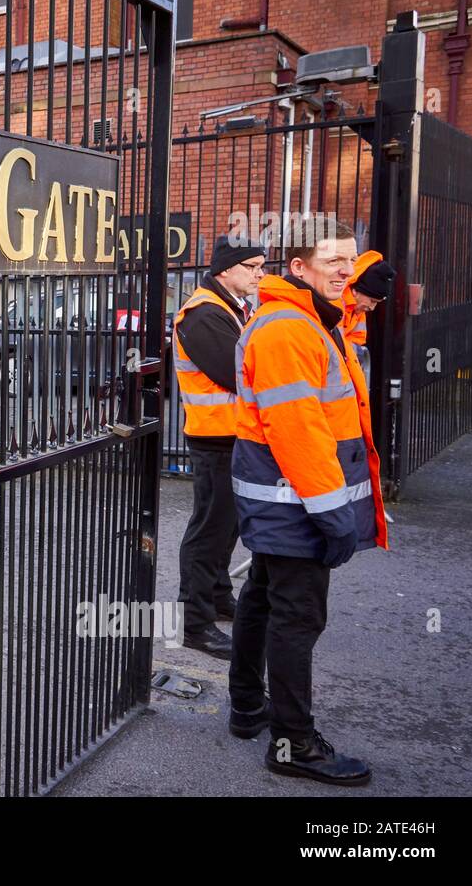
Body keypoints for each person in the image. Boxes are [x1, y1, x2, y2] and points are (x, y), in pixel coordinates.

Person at [227, 220, 388, 786]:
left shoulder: (315, 321)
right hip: (296, 501)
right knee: (298, 617)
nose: (347, 270)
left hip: (286, 498)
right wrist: (334, 515)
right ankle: (293, 744)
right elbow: (300, 432)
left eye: (351, 260)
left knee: (264, 597)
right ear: (298, 268)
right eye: (333, 261)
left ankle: (249, 705)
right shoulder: (291, 329)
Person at [173, 235, 266, 660]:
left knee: (227, 525)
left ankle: (217, 596)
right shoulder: (204, 314)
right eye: (253, 266)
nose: (260, 274)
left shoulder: (229, 308)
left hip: (233, 435)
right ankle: (194, 623)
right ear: (227, 270)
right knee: (209, 529)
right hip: (216, 438)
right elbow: (241, 374)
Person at [338, 250, 395, 387]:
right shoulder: (337, 304)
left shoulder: (356, 309)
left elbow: (356, 342)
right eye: (372, 300)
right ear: (355, 291)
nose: (372, 307)